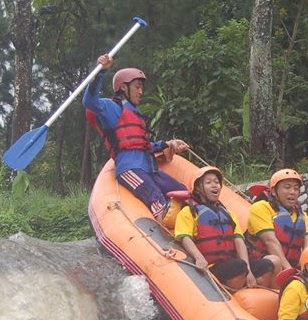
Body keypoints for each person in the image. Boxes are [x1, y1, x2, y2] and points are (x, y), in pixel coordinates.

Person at [83, 54, 189, 221]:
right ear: (124, 87)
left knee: (183, 192)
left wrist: (168, 144)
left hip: (150, 169)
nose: (141, 91)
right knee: (156, 198)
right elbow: (89, 101)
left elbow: (143, 145)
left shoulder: (136, 114)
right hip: (129, 168)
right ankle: (163, 241)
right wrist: (101, 72)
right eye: (137, 86)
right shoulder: (111, 108)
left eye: (141, 87)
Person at [175, 166, 275, 290]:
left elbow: (239, 241)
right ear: (198, 188)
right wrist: (199, 258)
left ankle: (249, 291)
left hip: (232, 265)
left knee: (266, 265)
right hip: (210, 266)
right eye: (209, 182)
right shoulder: (189, 211)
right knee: (239, 265)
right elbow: (184, 237)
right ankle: (236, 293)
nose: (214, 185)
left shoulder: (229, 214)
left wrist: (248, 270)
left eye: (216, 182)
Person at [245, 168, 308, 276]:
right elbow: (270, 241)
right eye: (287, 187)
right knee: (275, 261)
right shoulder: (261, 207)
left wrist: (307, 271)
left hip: (292, 265)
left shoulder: (303, 216)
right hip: (262, 264)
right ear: (273, 191)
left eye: (296, 189)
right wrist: (290, 271)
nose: (292, 192)